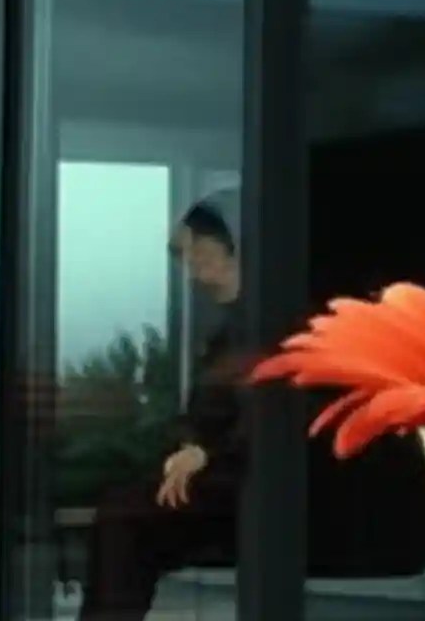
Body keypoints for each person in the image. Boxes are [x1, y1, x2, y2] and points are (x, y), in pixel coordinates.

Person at [79, 191, 249, 621]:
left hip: (253, 480)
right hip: (220, 473)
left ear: (224, 243)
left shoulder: (270, 321)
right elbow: (201, 413)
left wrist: (206, 453)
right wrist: (186, 447)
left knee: (126, 518)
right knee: (121, 505)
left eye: (194, 245)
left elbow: (277, 410)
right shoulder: (225, 328)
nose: (188, 260)